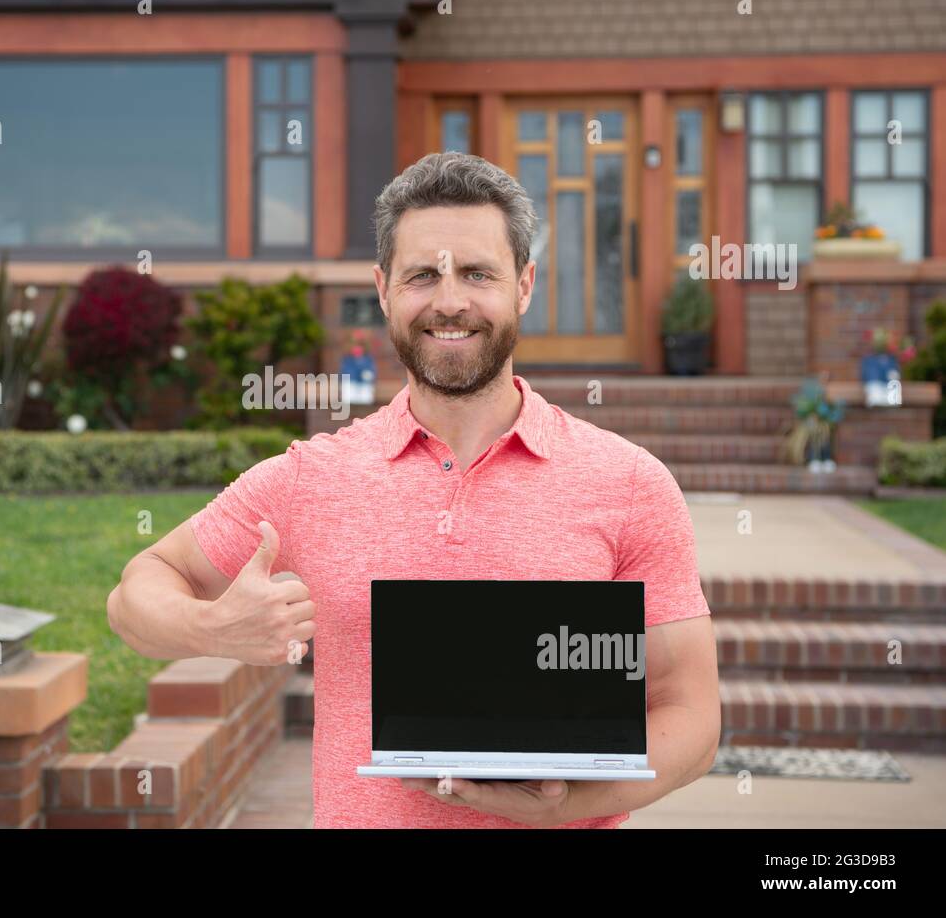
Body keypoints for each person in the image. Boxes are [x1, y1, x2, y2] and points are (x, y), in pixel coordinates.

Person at [107, 151, 721, 828]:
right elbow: (135, 593)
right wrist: (209, 626)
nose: (450, 300)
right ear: (383, 289)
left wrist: (569, 806)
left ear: (524, 284)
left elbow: (691, 716)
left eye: (478, 273)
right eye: (423, 274)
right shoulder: (310, 478)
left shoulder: (630, 482)